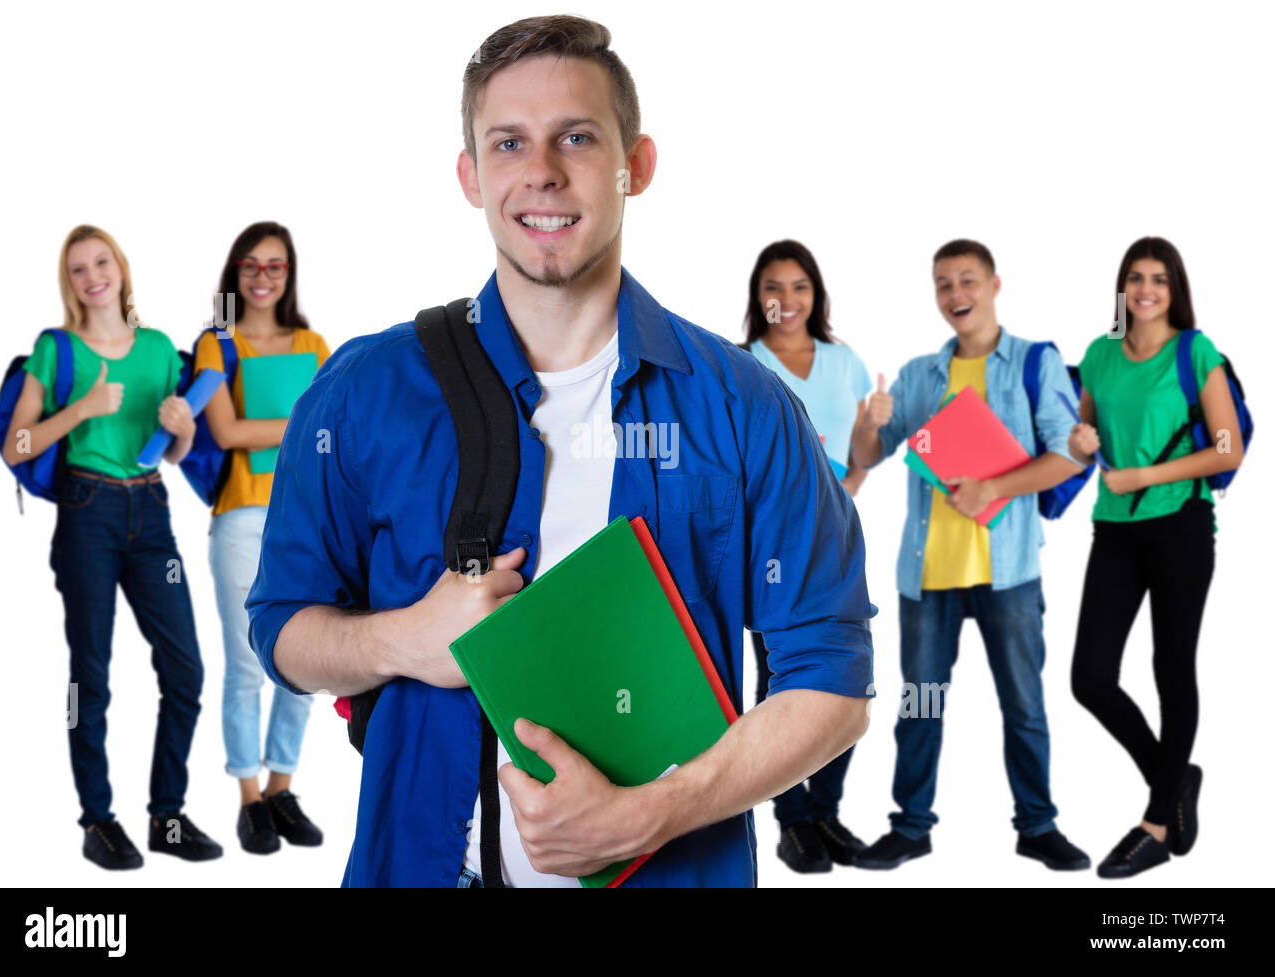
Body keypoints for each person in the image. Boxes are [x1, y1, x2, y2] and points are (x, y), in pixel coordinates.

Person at [246, 14, 875, 887]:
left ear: (637, 165)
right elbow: (283, 626)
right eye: (509, 143)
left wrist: (652, 811)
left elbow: (832, 686)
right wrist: (406, 640)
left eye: (576, 137)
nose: (541, 171)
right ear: (470, 175)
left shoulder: (746, 406)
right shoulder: (363, 390)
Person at [849, 238, 1090, 872]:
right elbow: (868, 457)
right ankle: (910, 827)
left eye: (966, 281)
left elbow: (1070, 452)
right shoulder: (917, 376)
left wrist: (997, 487)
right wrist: (869, 421)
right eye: (943, 284)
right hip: (929, 574)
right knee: (921, 702)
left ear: (993, 285)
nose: (955, 295)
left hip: (1009, 571)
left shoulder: (1032, 363)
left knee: (1024, 705)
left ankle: (1038, 826)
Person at [1, 225, 222, 870]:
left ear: (120, 269)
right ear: (68, 283)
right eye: (77, 269)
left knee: (186, 671)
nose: (92, 275)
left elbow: (177, 452)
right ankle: (97, 820)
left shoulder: (157, 349)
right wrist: (83, 408)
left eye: (101, 262)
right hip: (86, 515)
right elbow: (18, 446)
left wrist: (180, 433)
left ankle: (167, 818)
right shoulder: (56, 350)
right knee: (88, 676)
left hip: (151, 515)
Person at [1068, 237, 1242, 880]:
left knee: (1172, 666)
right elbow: (1085, 439)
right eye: (1136, 278)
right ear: (1123, 288)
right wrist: (1078, 439)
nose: (1146, 290)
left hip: (1183, 528)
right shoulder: (1098, 355)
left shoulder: (1196, 352)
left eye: (1160, 280)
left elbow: (1228, 448)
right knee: (1090, 678)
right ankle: (1175, 781)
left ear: (1175, 290)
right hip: (1115, 531)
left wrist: (1146, 476)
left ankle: (1158, 823)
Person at [195, 222, 332, 855]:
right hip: (242, 517)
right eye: (251, 265)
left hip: (301, 516)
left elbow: (331, 432)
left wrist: (276, 426)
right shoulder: (216, 345)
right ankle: (249, 797)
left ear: (288, 274)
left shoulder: (312, 343)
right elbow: (227, 433)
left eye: (275, 266)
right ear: (235, 272)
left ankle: (282, 787)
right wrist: (296, 420)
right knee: (247, 662)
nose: (262, 277)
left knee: (302, 655)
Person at [741, 239, 872, 872]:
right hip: (773, 551)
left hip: (837, 541)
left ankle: (826, 812)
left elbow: (858, 454)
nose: (786, 300)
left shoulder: (843, 362)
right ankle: (792, 820)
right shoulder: (742, 368)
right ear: (757, 297)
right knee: (784, 680)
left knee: (845, 677)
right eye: (774, 287)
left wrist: (871, 439)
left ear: (815, 294)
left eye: (799, 287)